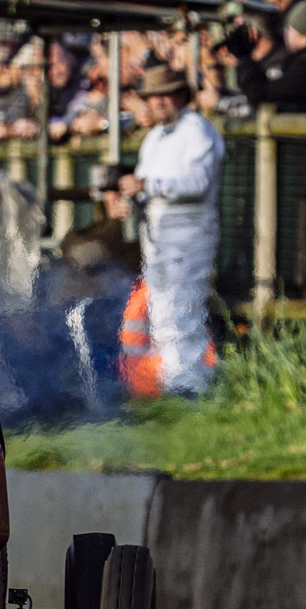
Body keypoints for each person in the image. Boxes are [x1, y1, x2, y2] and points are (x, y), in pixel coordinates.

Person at [116, 67, 223, 398]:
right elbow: (148, 187)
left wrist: (147, 185)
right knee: (162, 309)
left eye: (166, 94)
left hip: (190, 229)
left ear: (180, 96)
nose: (158, 102)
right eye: (153, 96)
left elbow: (198, 184)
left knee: (183, 307)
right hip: (159, 231)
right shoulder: (155, 138)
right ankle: (175, 382)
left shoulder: (198, 132)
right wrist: (132, 195)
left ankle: (189, 386)